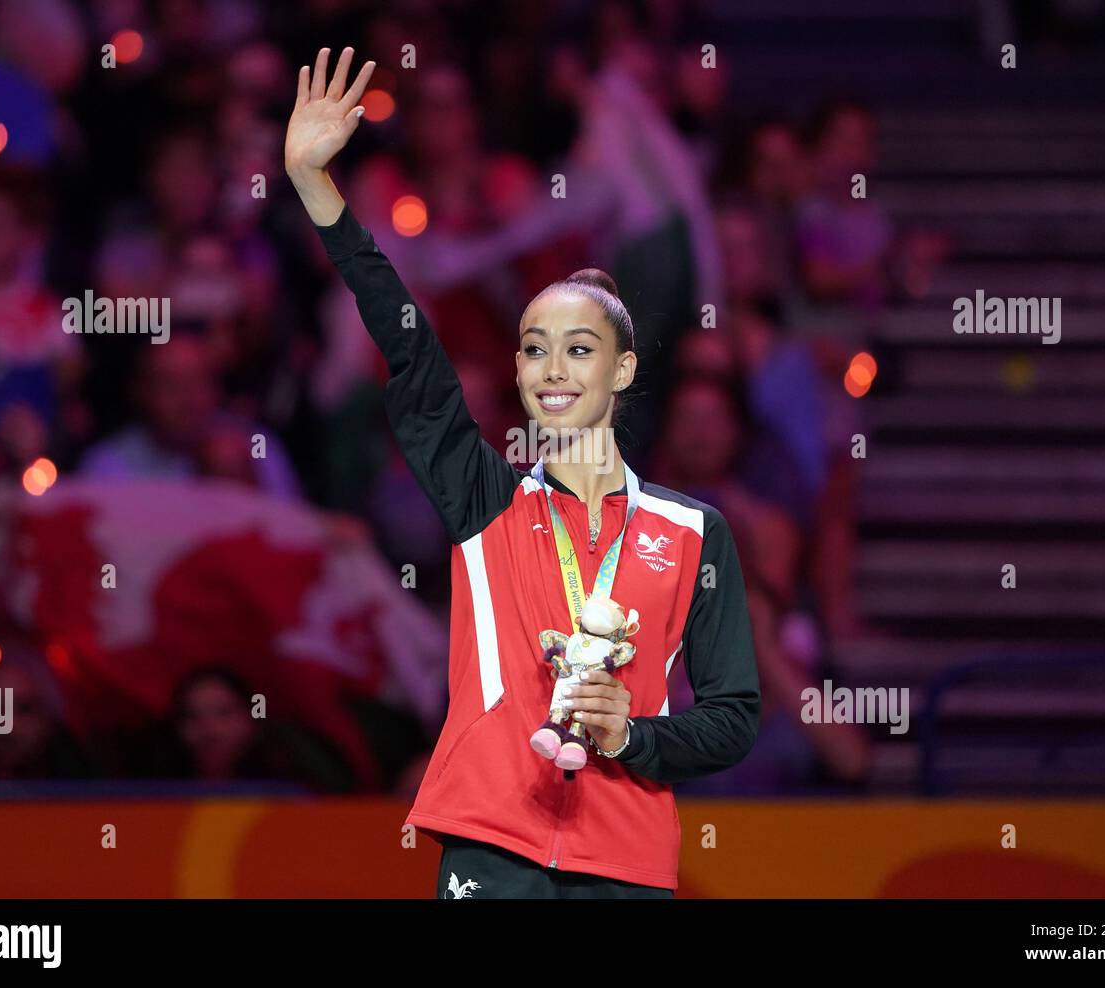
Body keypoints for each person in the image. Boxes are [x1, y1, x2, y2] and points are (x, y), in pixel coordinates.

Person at [284, 48, 760, 899]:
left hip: (625, 860)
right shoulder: (483, 503)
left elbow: (733, 719)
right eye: (535, 348)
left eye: (580, 349)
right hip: (490, 848)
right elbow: (410, 347)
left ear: (621, 371)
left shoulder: (693, 533)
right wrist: (320, 193)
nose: (553, 368)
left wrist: (633, 739)